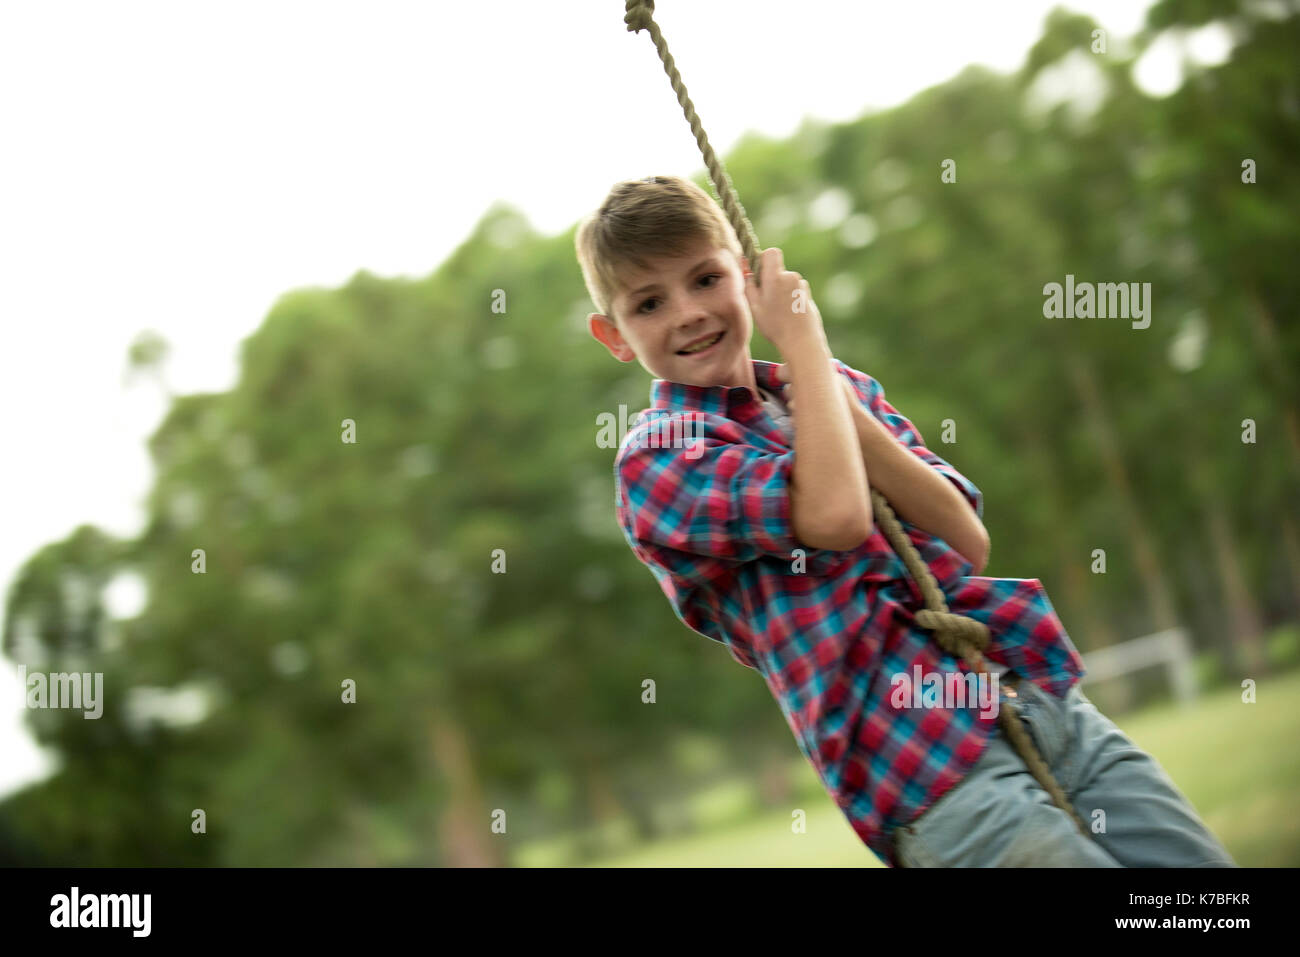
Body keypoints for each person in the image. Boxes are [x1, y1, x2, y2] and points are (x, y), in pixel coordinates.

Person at [574, 174, 1236, 868]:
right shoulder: (658, 458)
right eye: (649, 302)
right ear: (613, 335)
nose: (687, 312)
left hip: (1032, 702)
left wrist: (830, 395)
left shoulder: (838, 389)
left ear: (748, 276)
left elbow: (965, 538)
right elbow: (834, 515)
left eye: (705, 279)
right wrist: (804, 342)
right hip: (926, 767)